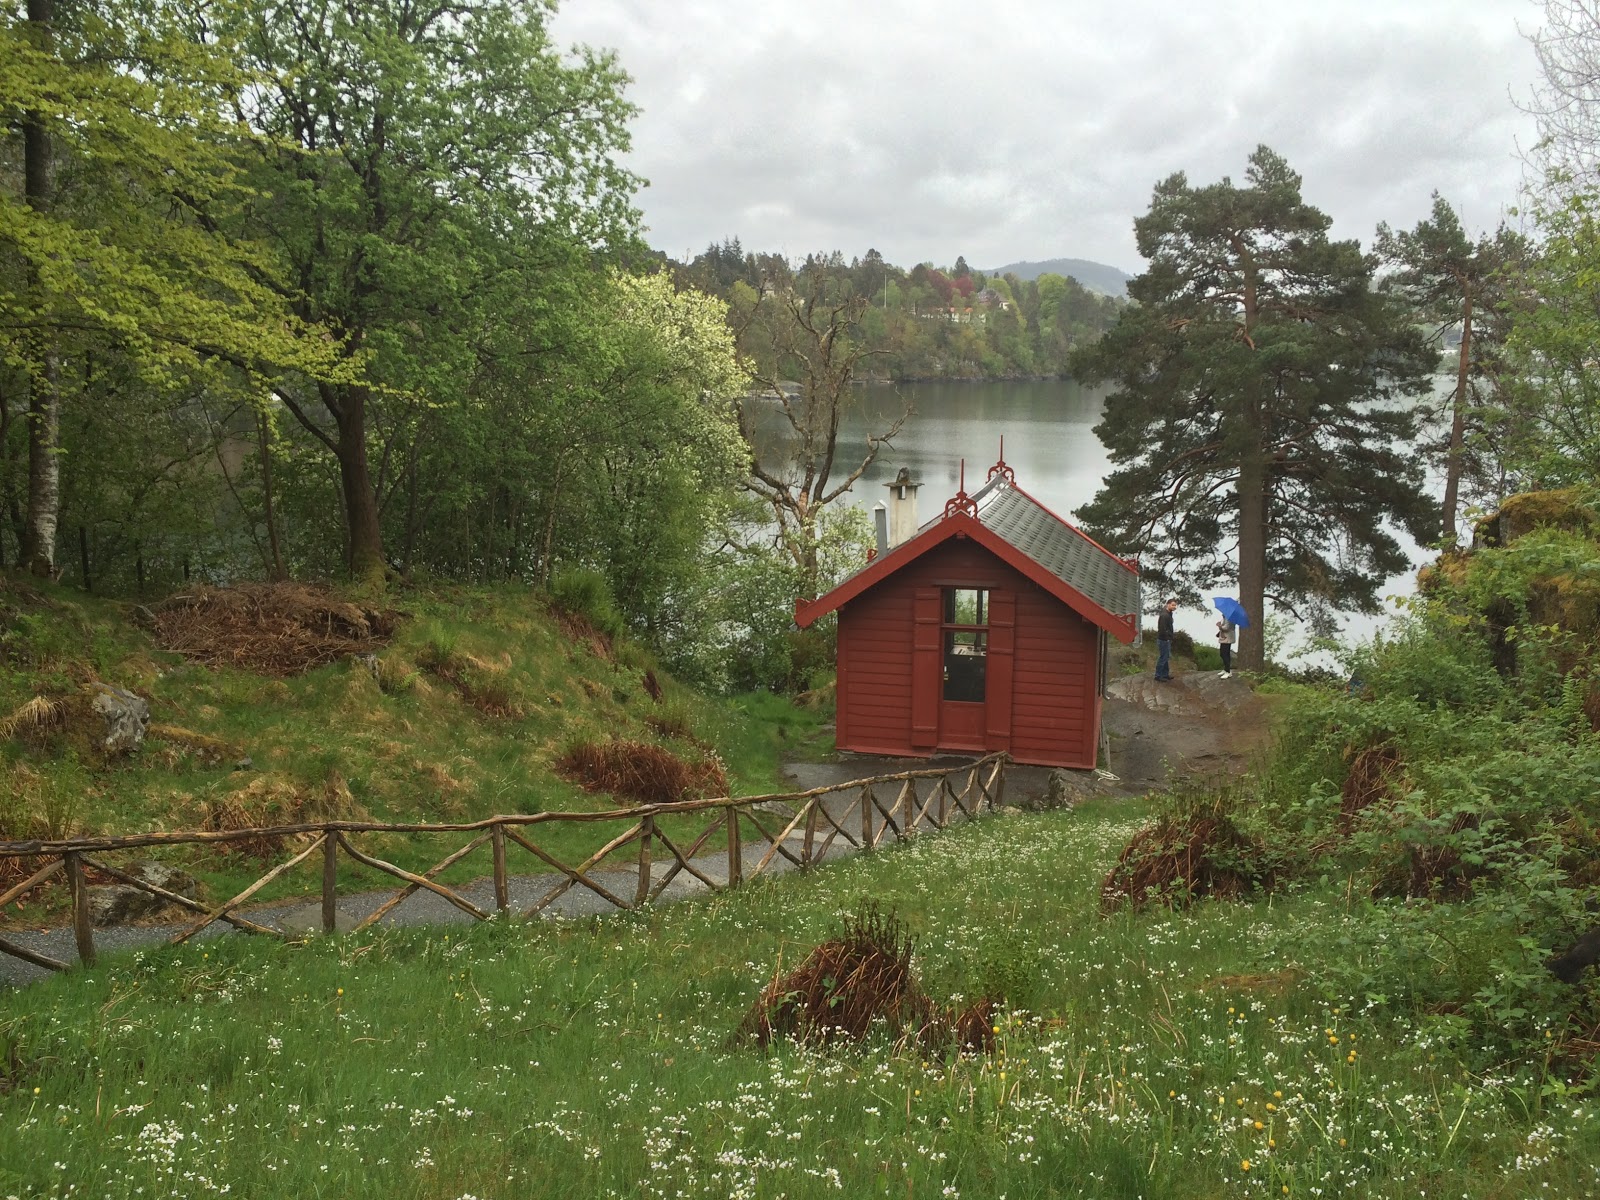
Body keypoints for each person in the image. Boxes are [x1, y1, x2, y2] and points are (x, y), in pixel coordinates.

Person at [1155, 598, 1176, 682]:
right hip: (1163, 639)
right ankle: (1158, 675)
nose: (1174, 607)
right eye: (1173, 605)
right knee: (1163, 657)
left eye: (1175, 605)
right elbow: (1162, 628)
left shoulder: (1169, 614)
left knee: (1166, 657)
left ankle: (1165, 674)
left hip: (1167, 639)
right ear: (1168, 604)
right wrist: (1167, 638)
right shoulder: (1164, 615)